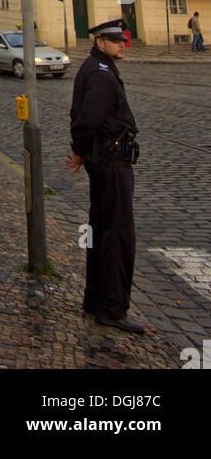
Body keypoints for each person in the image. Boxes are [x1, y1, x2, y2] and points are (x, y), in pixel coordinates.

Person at [66, 18, 143, 333]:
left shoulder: (97, 68)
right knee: (118, 234)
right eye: (116, 41)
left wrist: (84, 152)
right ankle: (111, 309)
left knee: (101, 229)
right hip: (111, 163)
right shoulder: (101, 75)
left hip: (105, 161)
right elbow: (85, 121)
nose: (122, 45)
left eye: (123, 41)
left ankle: (94, 301)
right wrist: (81, 152)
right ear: (100, 42)